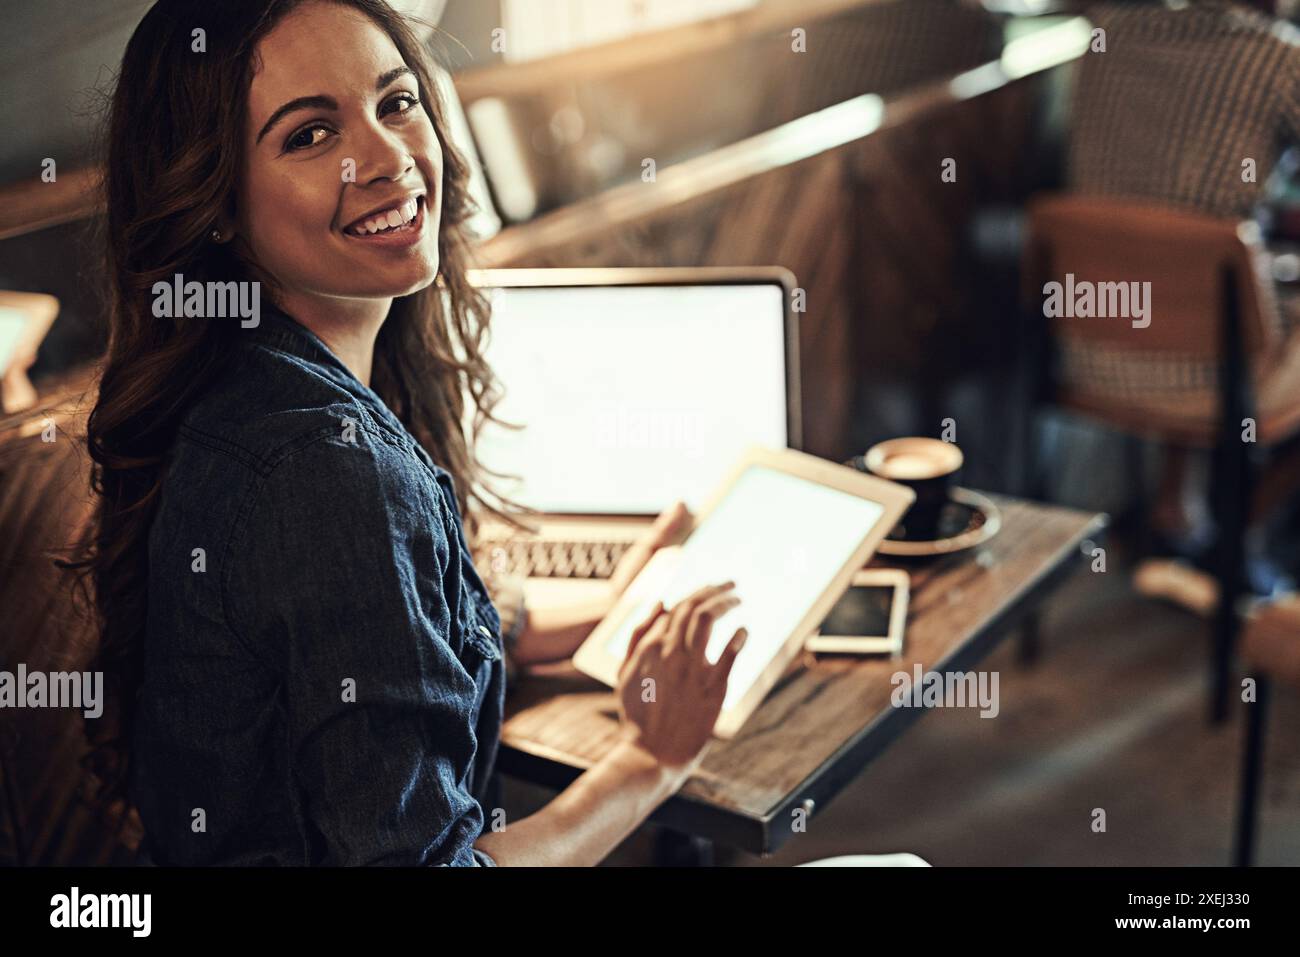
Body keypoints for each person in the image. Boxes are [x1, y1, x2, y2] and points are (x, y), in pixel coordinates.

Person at [75, 0, 749, 867]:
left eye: (396, 103)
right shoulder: (327, 470)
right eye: (310, 135)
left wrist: (609, 611)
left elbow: (360, 633)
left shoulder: (235, 387)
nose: (390, 157)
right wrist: (650, 759)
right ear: (218, 204)